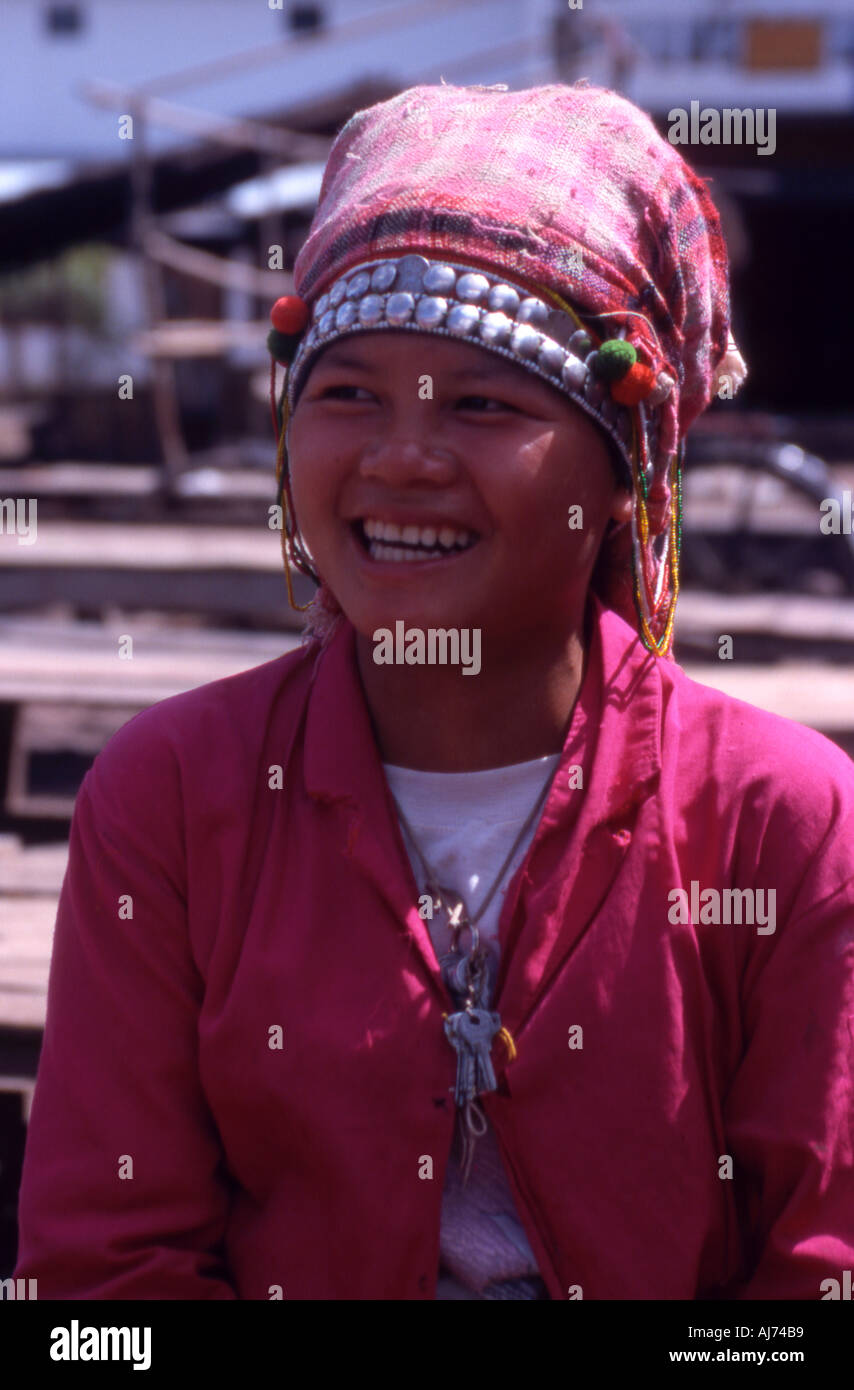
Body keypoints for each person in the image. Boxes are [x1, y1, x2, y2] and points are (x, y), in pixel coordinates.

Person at [14, 81, 854, 1301]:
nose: (401, 459)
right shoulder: (171, 798)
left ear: (624, 472)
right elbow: (101, 1277)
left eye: (481, 405)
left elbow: (822, 1267)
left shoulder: (781, 819)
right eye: (347, 393)